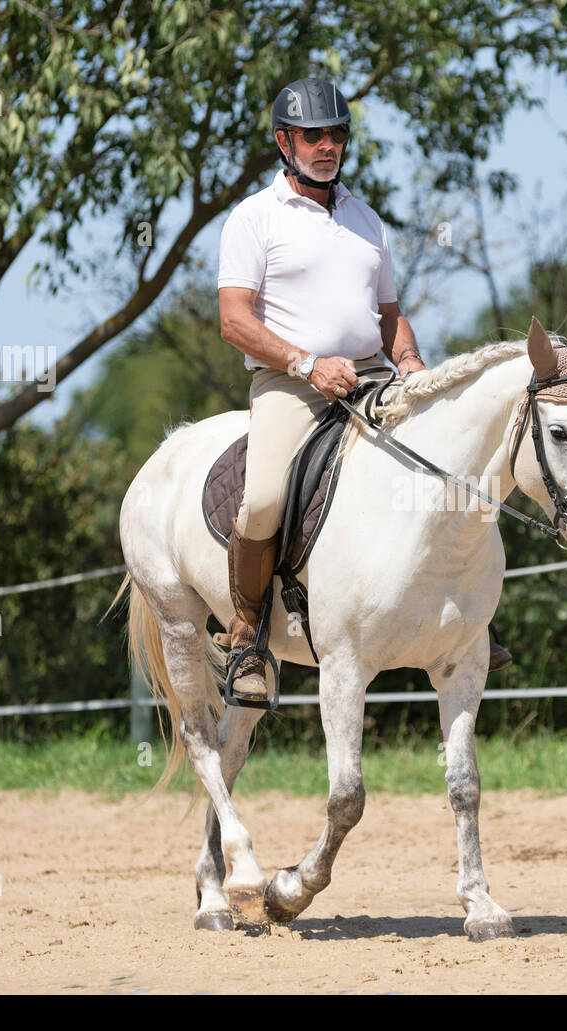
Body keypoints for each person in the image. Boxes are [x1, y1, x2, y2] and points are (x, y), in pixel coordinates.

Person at [216, 77, 511, 702]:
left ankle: (470, 617)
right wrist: (305, 364)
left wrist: (409, 360)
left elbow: (389, 315)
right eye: (313, 135)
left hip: (371, 373)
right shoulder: (254, 218)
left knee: (445, 459)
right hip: (289, 383)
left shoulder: (365, 220)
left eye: (338, 135)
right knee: (264, 496)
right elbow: (234, 319)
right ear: (283, 141)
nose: (328, 145)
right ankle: (247, 636)